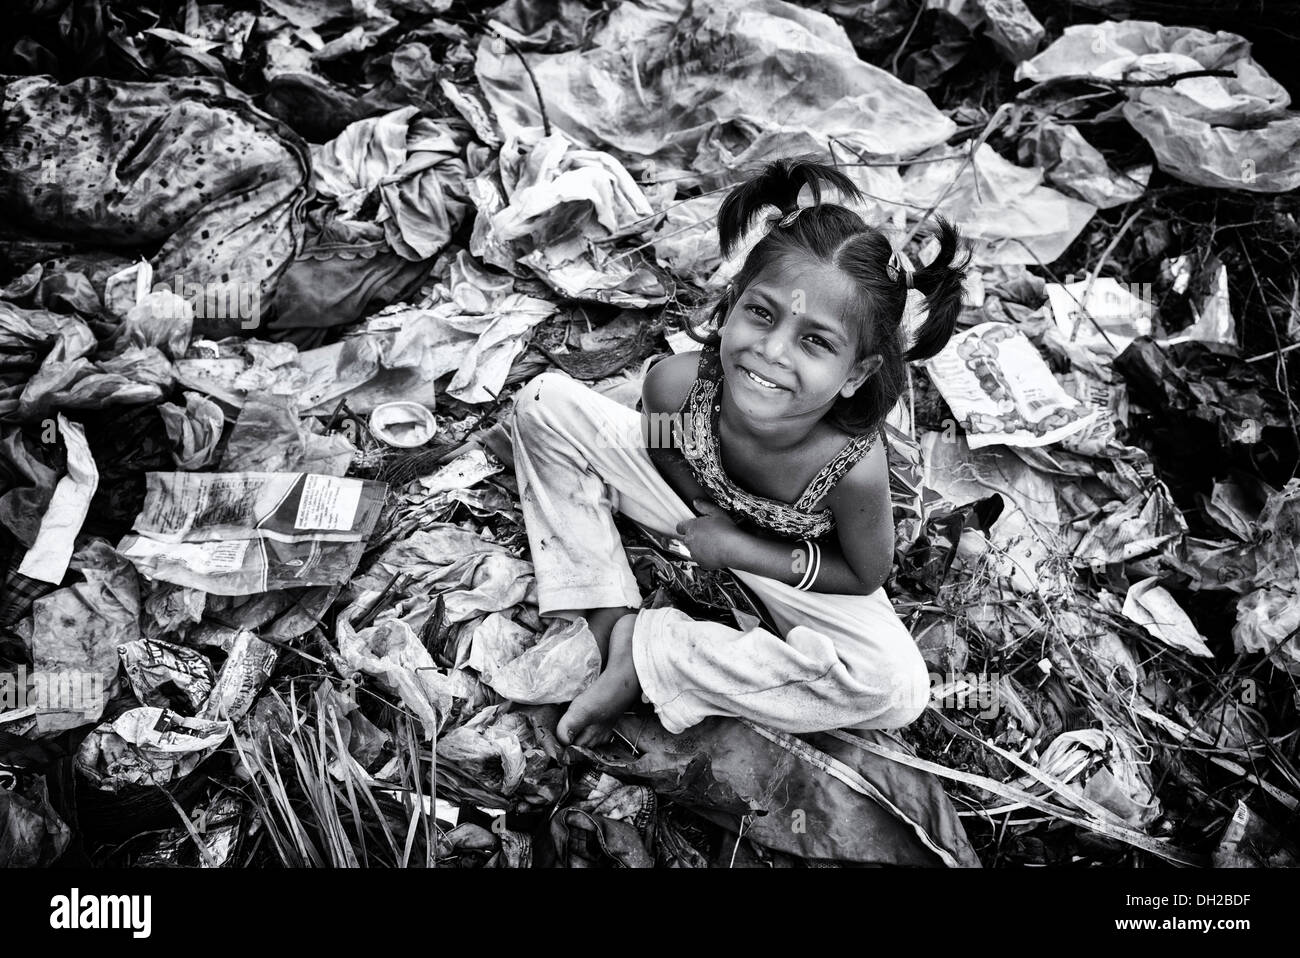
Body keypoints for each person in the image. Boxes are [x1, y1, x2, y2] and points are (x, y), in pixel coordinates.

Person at [509, 157, 970, 746]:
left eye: (815, 341)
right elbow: (661, 448)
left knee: (895, 687)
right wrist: (699, 504)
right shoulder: (674, 386)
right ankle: (602, 607)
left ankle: (656, 656)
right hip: (692, 509)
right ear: (730, 306)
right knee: (543, 402)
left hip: (796, 567)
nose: (772, 351)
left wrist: (736, 548)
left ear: (857, 373)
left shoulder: (850, 467)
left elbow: (864, 572)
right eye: (760, 313)